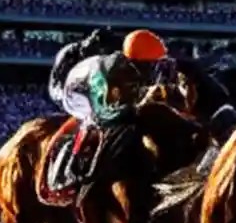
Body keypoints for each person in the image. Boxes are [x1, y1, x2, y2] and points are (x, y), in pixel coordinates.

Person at [47, 29, 167, 191]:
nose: (157, 69)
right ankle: (68, 166)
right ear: (140, 62)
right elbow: (106, 112)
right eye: (154, 64)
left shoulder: (133, 68)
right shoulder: (110, 76)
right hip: (77, 94)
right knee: (97, 122)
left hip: (91, 80)